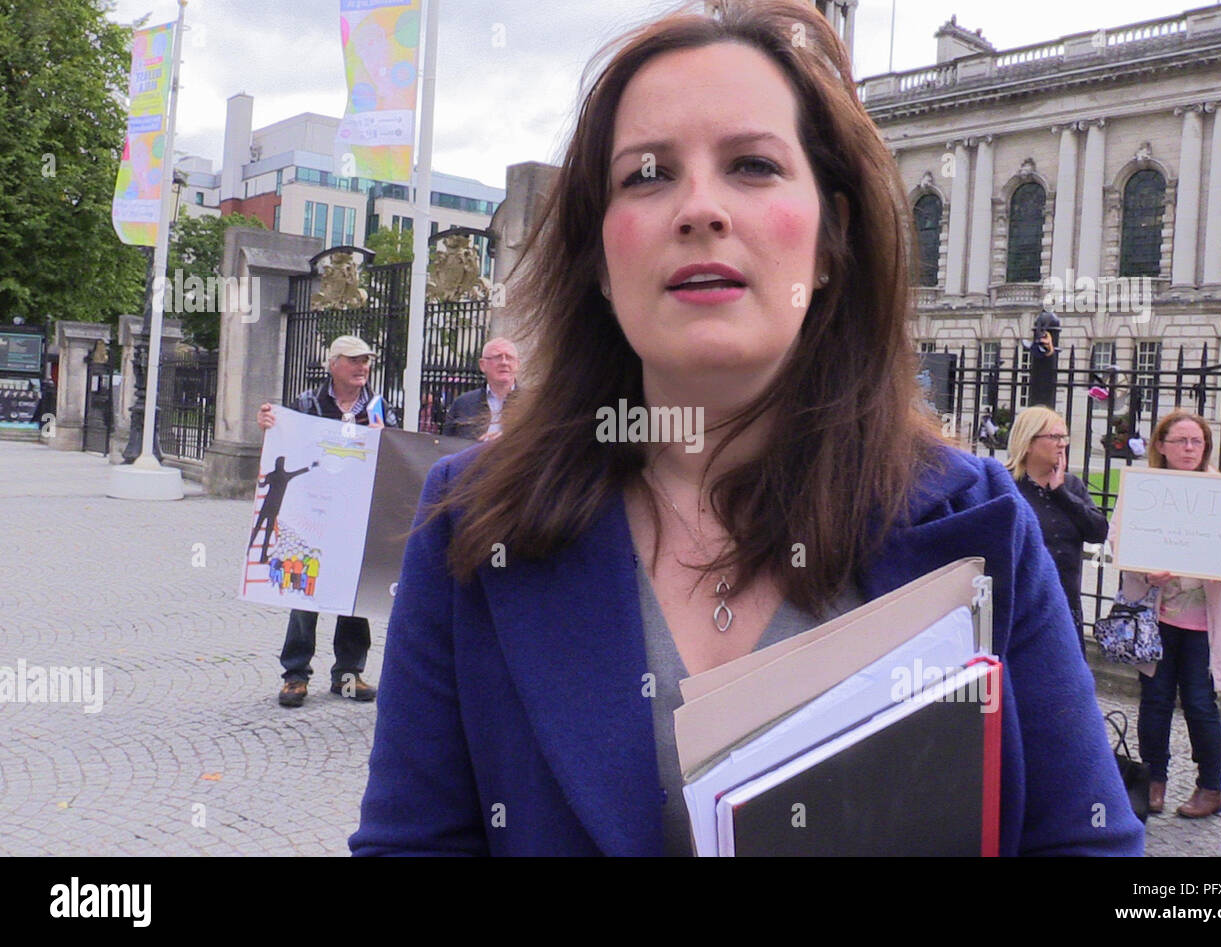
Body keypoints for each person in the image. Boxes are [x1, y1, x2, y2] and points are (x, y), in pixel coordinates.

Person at [350, 0, 1142, 856]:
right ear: (602, 263)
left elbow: (1086, 845)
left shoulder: (976, 523)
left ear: (832, 238)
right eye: (647, 175)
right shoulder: (474, 525)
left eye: (754, 165)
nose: (700, 208)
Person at [256, 334, 395, 708]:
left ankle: (348, 676)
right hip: (313, 512)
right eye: (354, 360)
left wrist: (387, 440)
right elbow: (284, 438)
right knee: (305, 589)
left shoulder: (379, 408)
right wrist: (268, 422)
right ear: (333, 364)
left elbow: (395, 456)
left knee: (354, 596)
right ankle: (295, 675)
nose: (362, 366)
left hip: (357, 513)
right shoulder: (307, 402)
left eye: (366, 360)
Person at [1118, 410, 1221, 819]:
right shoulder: (1144, 488)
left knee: (1200, 705)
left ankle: (1211, 787)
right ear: (1161, 446)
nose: (1190, 449)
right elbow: (1120, 539)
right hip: (1157, 619)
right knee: (1154, 702)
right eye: (1181, 441)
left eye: (1197, 442)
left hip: (1203, 625)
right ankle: (1154, 781)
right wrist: (1143, 570)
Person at [1005, 407, 1109, 656]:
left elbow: (1097, 531)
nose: (1062, 444)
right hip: (1021, 603)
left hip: (1065, 601)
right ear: (1028, 442)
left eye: (1064, 437)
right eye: (1054, 437)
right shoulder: (1006, 485)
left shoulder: (1071, 485)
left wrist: (1060, 493)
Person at [441, 337, 519, 441]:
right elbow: (446, 446)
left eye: (509, 357)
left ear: (517, 364)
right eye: (497, 357)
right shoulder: (463, 404)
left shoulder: (533, 404)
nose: (504, 362)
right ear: (482, 365)